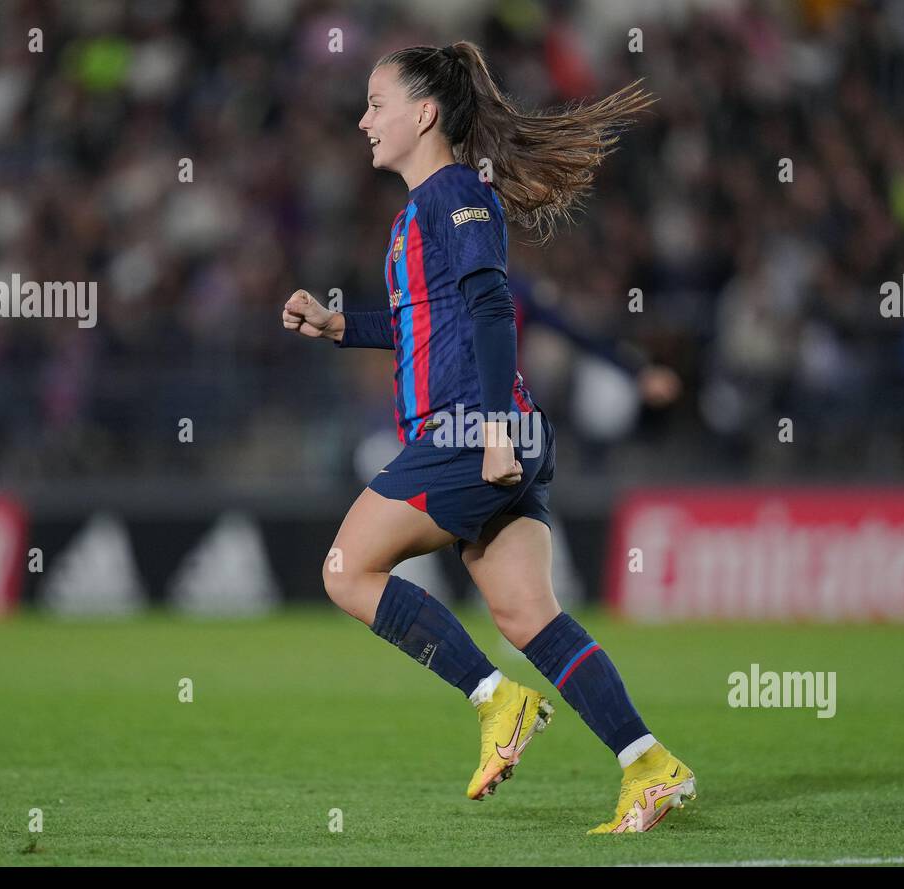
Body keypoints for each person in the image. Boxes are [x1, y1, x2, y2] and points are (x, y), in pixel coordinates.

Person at [281, 41, 694, 833]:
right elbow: (422, 328)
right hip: (498, 432)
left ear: (424, 113)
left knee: (344, 569)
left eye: (376, 104)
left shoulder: (453, 198)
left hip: (473, 432)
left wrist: (496, 431)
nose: (362, 120)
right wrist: (340, 327)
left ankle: (496, 698)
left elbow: (495, 309)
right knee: (527, 617)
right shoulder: (426, 208)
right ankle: (650, 763)